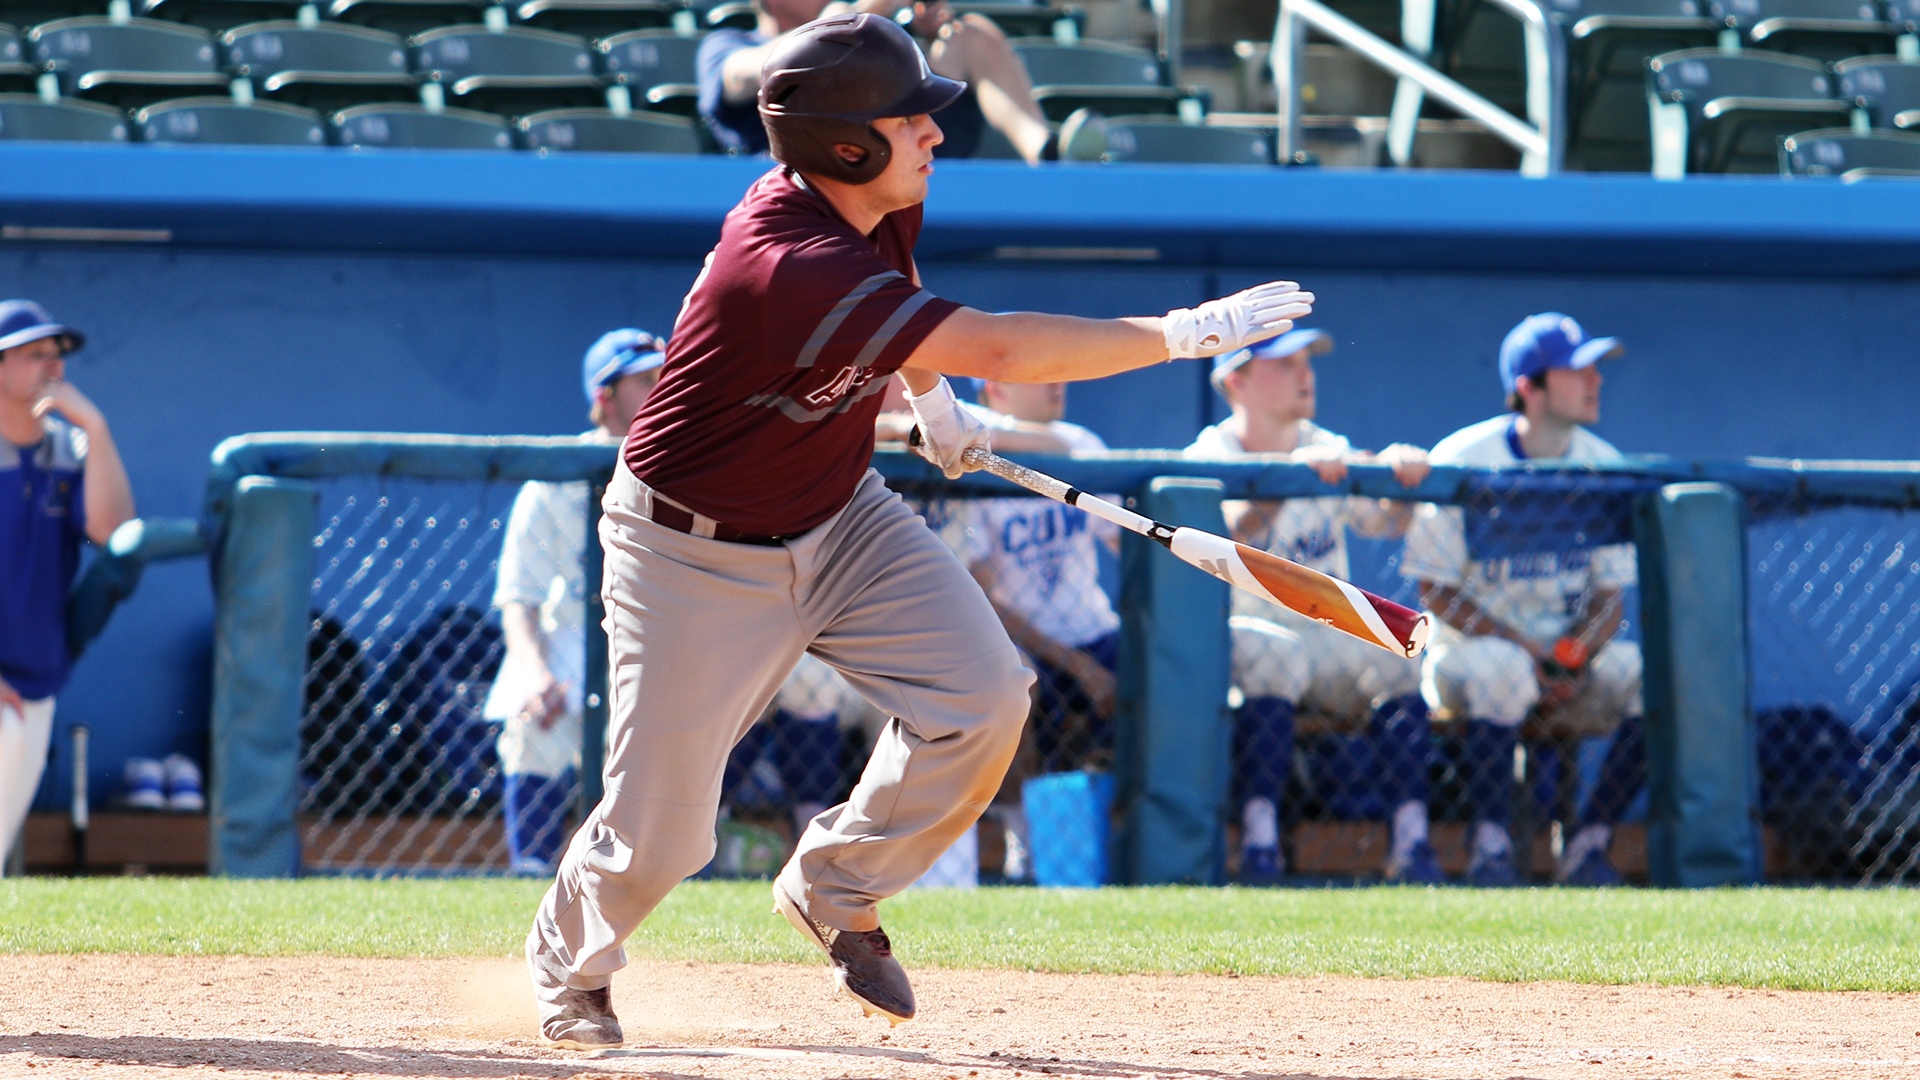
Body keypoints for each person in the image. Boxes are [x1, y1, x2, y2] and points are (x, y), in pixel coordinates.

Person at [524, 12, 1312, 1049]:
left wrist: (928, 405)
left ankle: (836, 883)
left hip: (838, 511)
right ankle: (567, 964)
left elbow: (907, 319)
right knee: (664, 828)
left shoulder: (872, 205)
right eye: (914, 120)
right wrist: (1177, 335)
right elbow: (996, 342)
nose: (938, 133)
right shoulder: (784, 255)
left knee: (984, 697)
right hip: (691, 550)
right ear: (847, 144)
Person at [484, 329, 859, 874]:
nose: (662, 387)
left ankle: (783, 853)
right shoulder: (552, 477)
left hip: (675, 638)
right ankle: (532, 872)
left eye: (666, 374)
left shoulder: (698, 458)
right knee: (529, 715)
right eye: (644, 380)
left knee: (801, 677)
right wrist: (536, 673)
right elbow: (519, 601)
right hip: (574, 640)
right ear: (603, 398)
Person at [1183, 328, 1437, 884]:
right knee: (1275, 655)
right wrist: (1288, 475)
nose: (1306, 374)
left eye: (1307, 363)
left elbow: (1386, 523)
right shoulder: (1207, 453)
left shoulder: (1329, 443)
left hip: (1325, 632)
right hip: (1242, 635)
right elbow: (1223, 541)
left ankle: (1412, 841)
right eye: (1285, 364)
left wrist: (1402, 478)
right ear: (1236, 382)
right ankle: (1259, 840)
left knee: (1399, 653)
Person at [1399, 312, 1644, 887]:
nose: (1594, 381)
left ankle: (1588, 843)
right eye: (1575, 370)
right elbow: (1435, 589)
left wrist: (1571, 655)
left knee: (1643, 672)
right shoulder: (1463, 455)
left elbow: (1611, 599)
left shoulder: (1604, 462)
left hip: (1566, 657)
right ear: (1529, 388)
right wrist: (1528, 649)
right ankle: (1490, 846)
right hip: (1472, 655)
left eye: (1595, 369)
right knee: (1504, 668)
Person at [0, 301, 134, 869]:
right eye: (35, 355)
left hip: (36, 678)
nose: (53, 368)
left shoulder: (72, 448)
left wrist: (96, 430)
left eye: (56, 356)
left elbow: (113, 531)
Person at [698, 0, 1101, 165]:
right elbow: (758, 70)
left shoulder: (857, 24)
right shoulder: (725, 44)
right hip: (811, 177)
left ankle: (1047, 151)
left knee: (967, 34)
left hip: (909, 151)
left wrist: (924, 37)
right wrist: (863, 11)